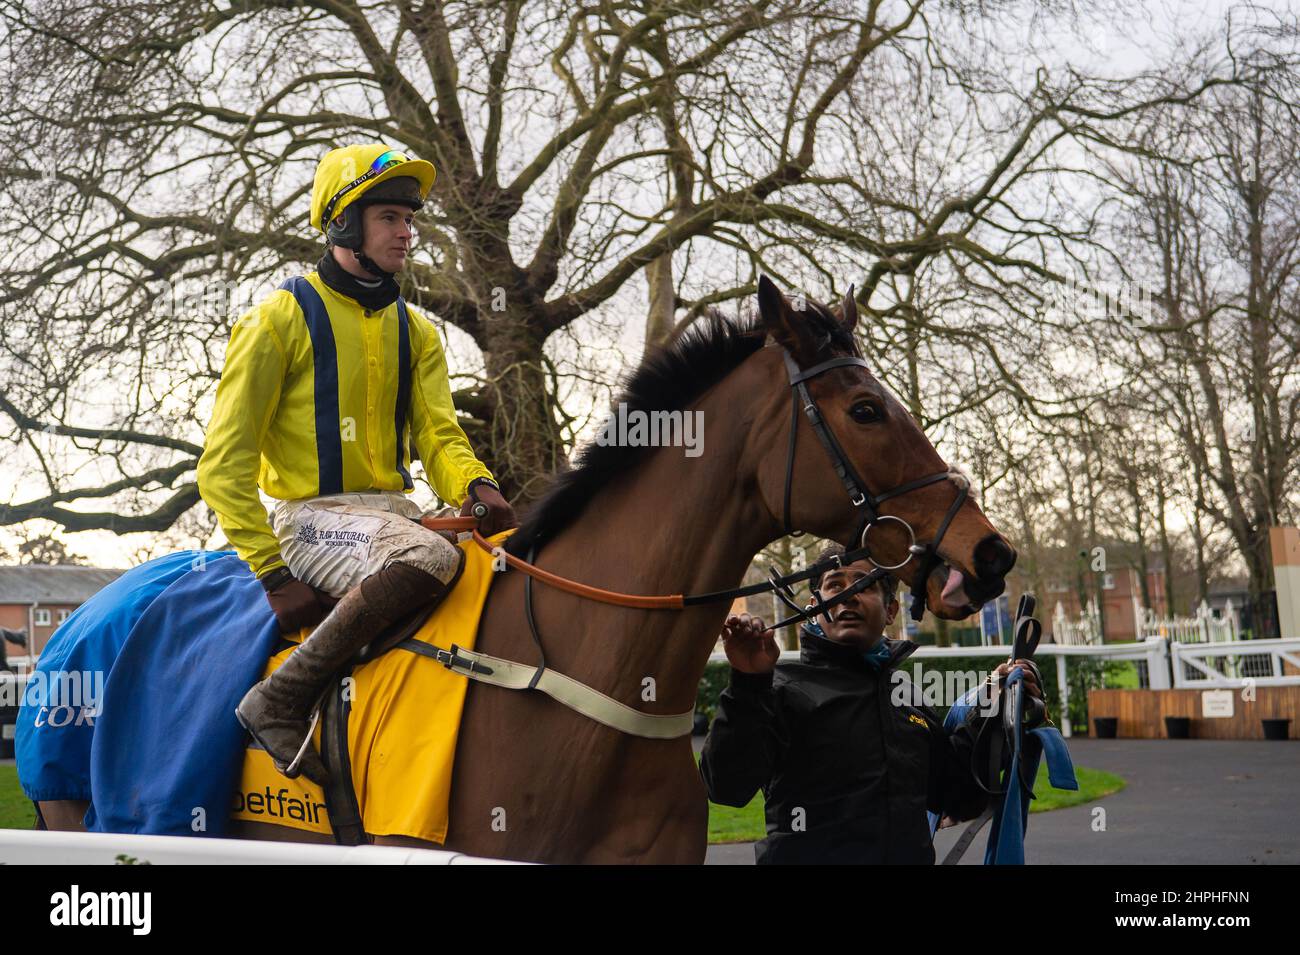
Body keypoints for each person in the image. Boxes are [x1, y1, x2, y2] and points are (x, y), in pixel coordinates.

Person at [197, 143, 516, 785]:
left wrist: (476, 484)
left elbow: (438, 434)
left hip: (393, 518)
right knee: (429, 558)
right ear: (344, 222)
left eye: (409, 219)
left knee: (510, 561)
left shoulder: (418, 332)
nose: (407, 233)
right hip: (309, 522)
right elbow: (223, 464)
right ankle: (280, 698)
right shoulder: (276, 319)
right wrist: (270, 570)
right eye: (390, 218)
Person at [699, 543, 1045, 864]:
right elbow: (726, 787)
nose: (847, 596)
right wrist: (747, 682)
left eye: (862, 584)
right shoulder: (779, 688)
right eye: (835, 585)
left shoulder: (907, 696)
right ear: (814, 609)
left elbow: (958, 796)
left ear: (891, 609)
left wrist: (993, 710)